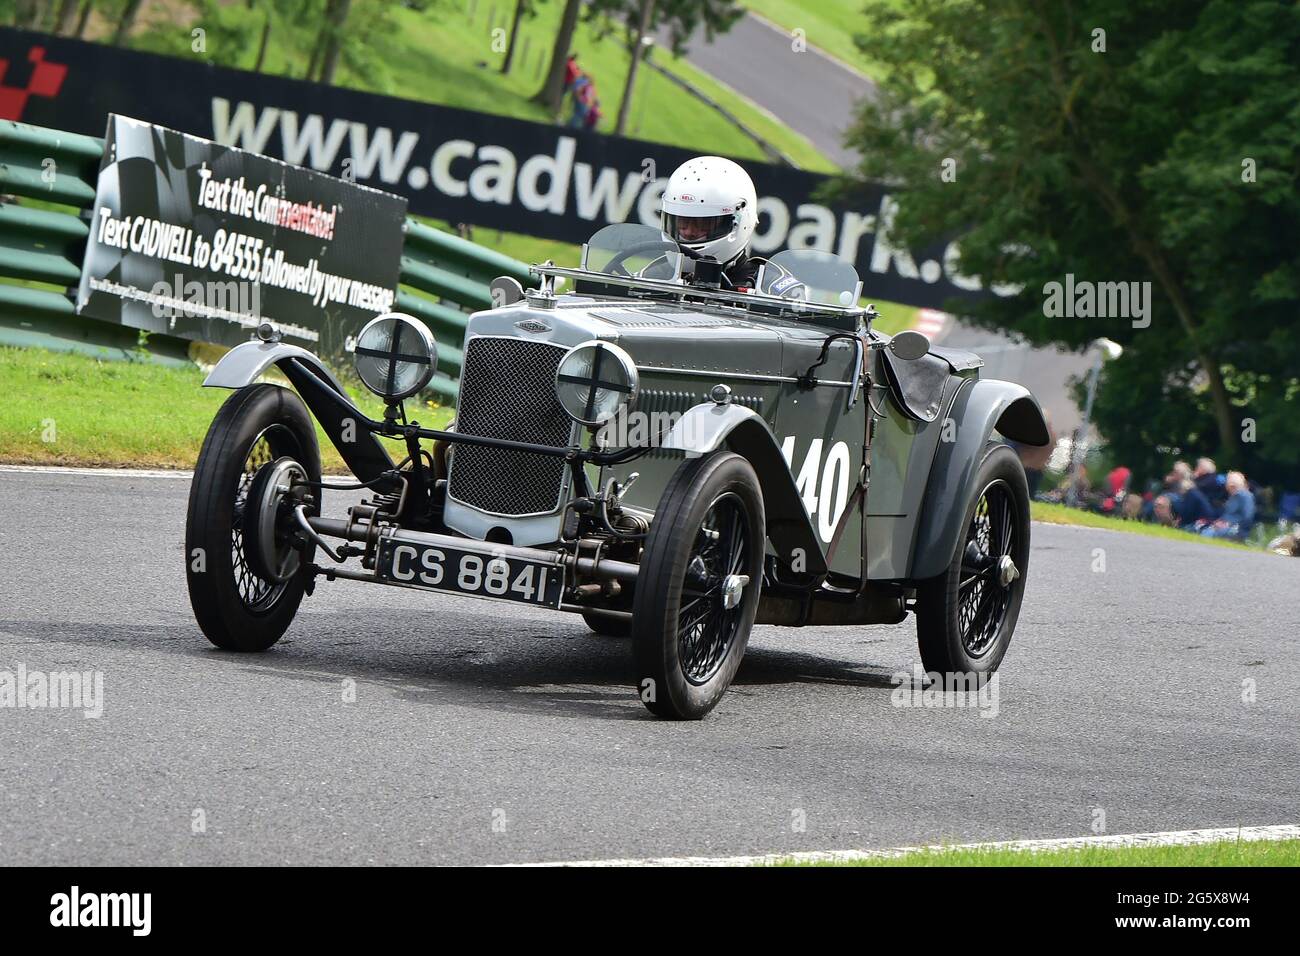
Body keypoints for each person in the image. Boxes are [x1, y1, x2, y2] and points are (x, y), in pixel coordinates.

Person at [660, 156, 761, 289]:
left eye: (703, 224)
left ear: (738, 223)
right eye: (682, 222)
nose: (689, 232)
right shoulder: (654, 274)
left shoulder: (764, 286)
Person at [1200, 471, 1255, 539]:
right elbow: (1229, 514)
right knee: (1205, 530)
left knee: (1208, 533)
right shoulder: (1234, 496)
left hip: (1236, 529)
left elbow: (1247, 516)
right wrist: (1220, 521)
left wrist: (1228, 523)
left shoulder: (1244, 496)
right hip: (1227, 526)